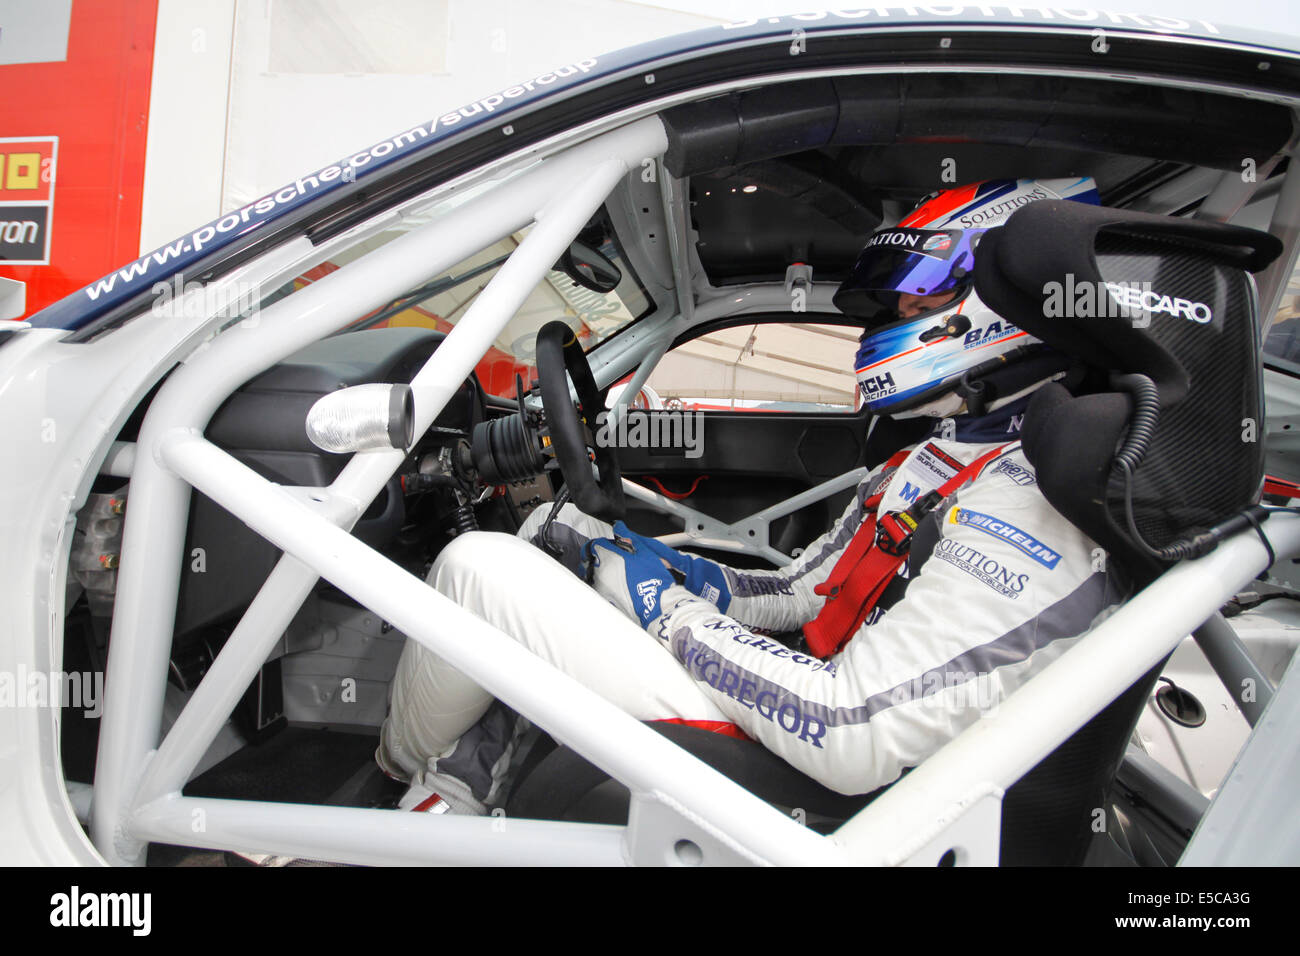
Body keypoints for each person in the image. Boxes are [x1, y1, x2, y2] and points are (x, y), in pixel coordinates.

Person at [377, 177, 1128, 813]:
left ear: (1000, 302)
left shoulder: (1038, 500)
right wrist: (657, 568)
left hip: (823, 788)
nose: (896, 320)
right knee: (555, 524)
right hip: (804, 696)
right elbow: (802, 591)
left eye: (913, 302)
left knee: (479, 566)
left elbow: (850, 733)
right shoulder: (942, 453)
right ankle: (457, 783)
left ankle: (385, 780)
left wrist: (662, 609)